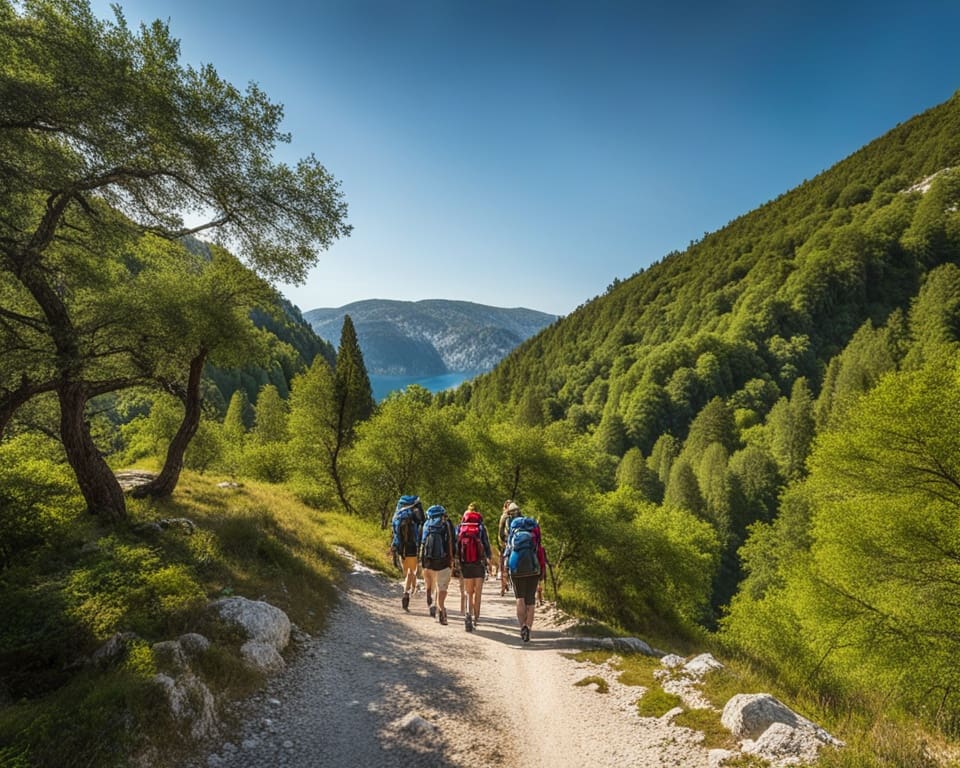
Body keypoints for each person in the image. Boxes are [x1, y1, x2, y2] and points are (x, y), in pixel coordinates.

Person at [504, 508, 546, 643]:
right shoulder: (534, 534)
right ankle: (529, 627)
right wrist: (542, 571)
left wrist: (505, 570)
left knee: (520, 599)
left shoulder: (513, 533)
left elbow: (507, 552)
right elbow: (540, 553)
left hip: (516, 569)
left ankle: (522, 627)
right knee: (531, 600)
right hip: (533, 569)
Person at [456, 502, 492, 632]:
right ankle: (476, 618)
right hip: (479, 563)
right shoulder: (481, 528)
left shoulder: (461, 527)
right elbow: (486, 545)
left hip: (466, 563)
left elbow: (457, 545)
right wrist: (489, 559)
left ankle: (467, 614)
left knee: (468, 592)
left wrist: (457, 562)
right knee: (478, 593)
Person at [420, 504, 455, 625]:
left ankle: (430, 599)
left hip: (428, 560)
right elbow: (452, 542)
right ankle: (441, 608)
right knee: (442, 587)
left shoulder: (426, 524)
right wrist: (452, 559)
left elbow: (422, 543)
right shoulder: (447, 524)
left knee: (430, 583)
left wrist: (422, 561)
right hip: (443, 561)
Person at [390, 495, 423, 611]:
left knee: (408, 571)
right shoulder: (414, 514)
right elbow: (421, 525)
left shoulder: (397, 515)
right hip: (412, 546)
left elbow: (394, 531)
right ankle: (406, 592)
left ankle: (413, 588)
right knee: (411, 571)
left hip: (400, 547)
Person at [497, 499, 521, 596]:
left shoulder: (504, 516)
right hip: (518, 543)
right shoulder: (520, 516)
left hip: (507, 543)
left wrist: (502, 543)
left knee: (504, 566)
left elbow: (500, 532)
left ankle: (503, 587)